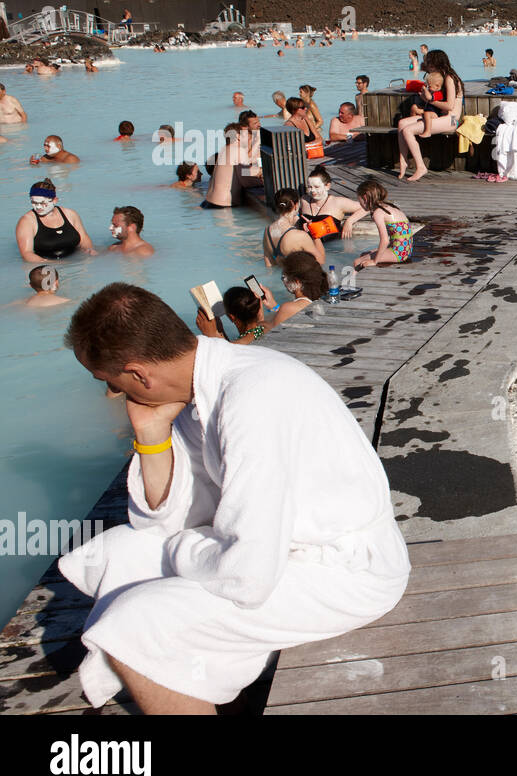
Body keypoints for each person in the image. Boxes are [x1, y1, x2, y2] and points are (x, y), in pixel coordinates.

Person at [57, 283, 411, 713]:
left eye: (109, 383)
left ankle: (177, 674)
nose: (115, 395)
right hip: (279, 556)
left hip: (346, 571)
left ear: (138, 375)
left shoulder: (252, 395)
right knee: (119, 551)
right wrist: (151, 436)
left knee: (134, 624)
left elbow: (247, 573)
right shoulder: (199, 391)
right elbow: (163, 523)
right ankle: (191, 680)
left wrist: (185, 548)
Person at [397, 51, 462, 181]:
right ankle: (403, 160)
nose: (427, 66)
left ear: (436, 63)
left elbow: (449, 106)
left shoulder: (449, 78)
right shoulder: (439, 77)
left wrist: (429, 100)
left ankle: (421, 167)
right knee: (402, 123)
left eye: (429, 63)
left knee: (408, 130)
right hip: (440, 117)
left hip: (452, 119)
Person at [17, 179, 96, 261]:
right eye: (34, 203)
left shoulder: (70, 214)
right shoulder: (26, 222)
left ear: (55, 200)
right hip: (46, 266)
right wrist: (51, 264)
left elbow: (83, 239)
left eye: (43, 203)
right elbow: (27, 253)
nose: (38, 207)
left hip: (74, 260)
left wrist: (90, 251)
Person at [350, 180, 413, 270]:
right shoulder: (389, 206)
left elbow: (385, 240)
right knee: (364, 254)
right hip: (406, 250)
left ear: (365, 198)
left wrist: (375, 261)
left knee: (357, 262)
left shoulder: (378, 213)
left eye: (359, 201)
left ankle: (353, 283)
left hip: (398, 253)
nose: (360, 204)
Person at [263, 188, 325, 267]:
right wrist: (314, 234)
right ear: (294, 205)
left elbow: (268, 262)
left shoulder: (267, 231)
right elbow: (321, 261)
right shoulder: (299, 236)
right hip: (298, 278)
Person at [299, 167, 362, 242]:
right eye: (309, 187)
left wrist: (349, 221)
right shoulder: (304, 200)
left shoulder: (337, 202)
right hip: (307, 246)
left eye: (316, 187)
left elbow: (367, 207)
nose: (312, 190)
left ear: (327, 186)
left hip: (332, 249)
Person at [268, 251, 327, 327]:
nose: (282, 280)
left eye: (283, 277)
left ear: (297, 282)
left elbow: (270, 334)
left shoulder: (288, 308)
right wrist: (274, 306)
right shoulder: (318, 300)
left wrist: (259, 313)